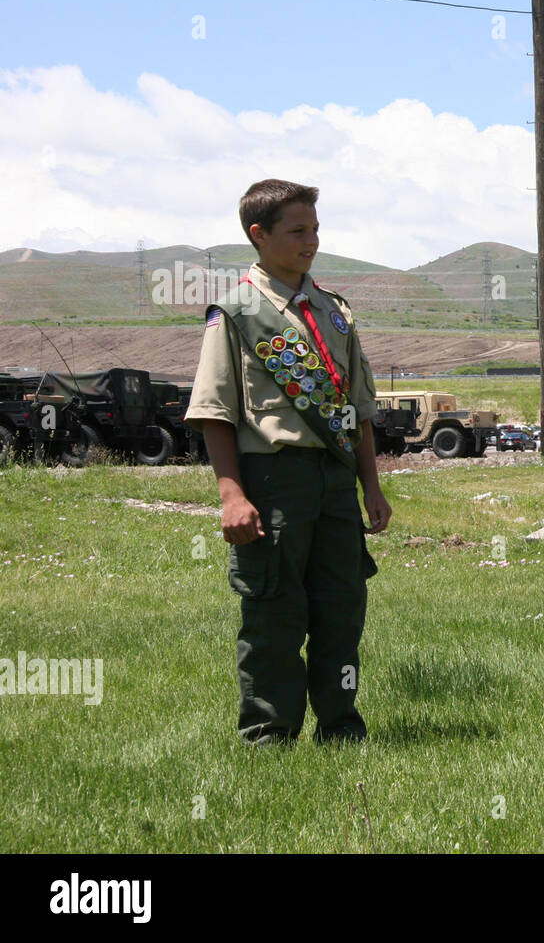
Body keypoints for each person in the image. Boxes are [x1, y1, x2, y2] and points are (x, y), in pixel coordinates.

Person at [184, 178, 392, 745]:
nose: (313, 241)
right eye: (299, 231)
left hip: (335, 479)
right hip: (273, 480)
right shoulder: (236, 313)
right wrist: (232, 494)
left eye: (316, 229)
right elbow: (214, 411)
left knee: (342, 608)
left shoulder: (335, 311)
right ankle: (269, 735)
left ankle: (341, 727)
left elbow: (360, 409)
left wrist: (371, 487)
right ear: (260, 235)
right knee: (274, 611)